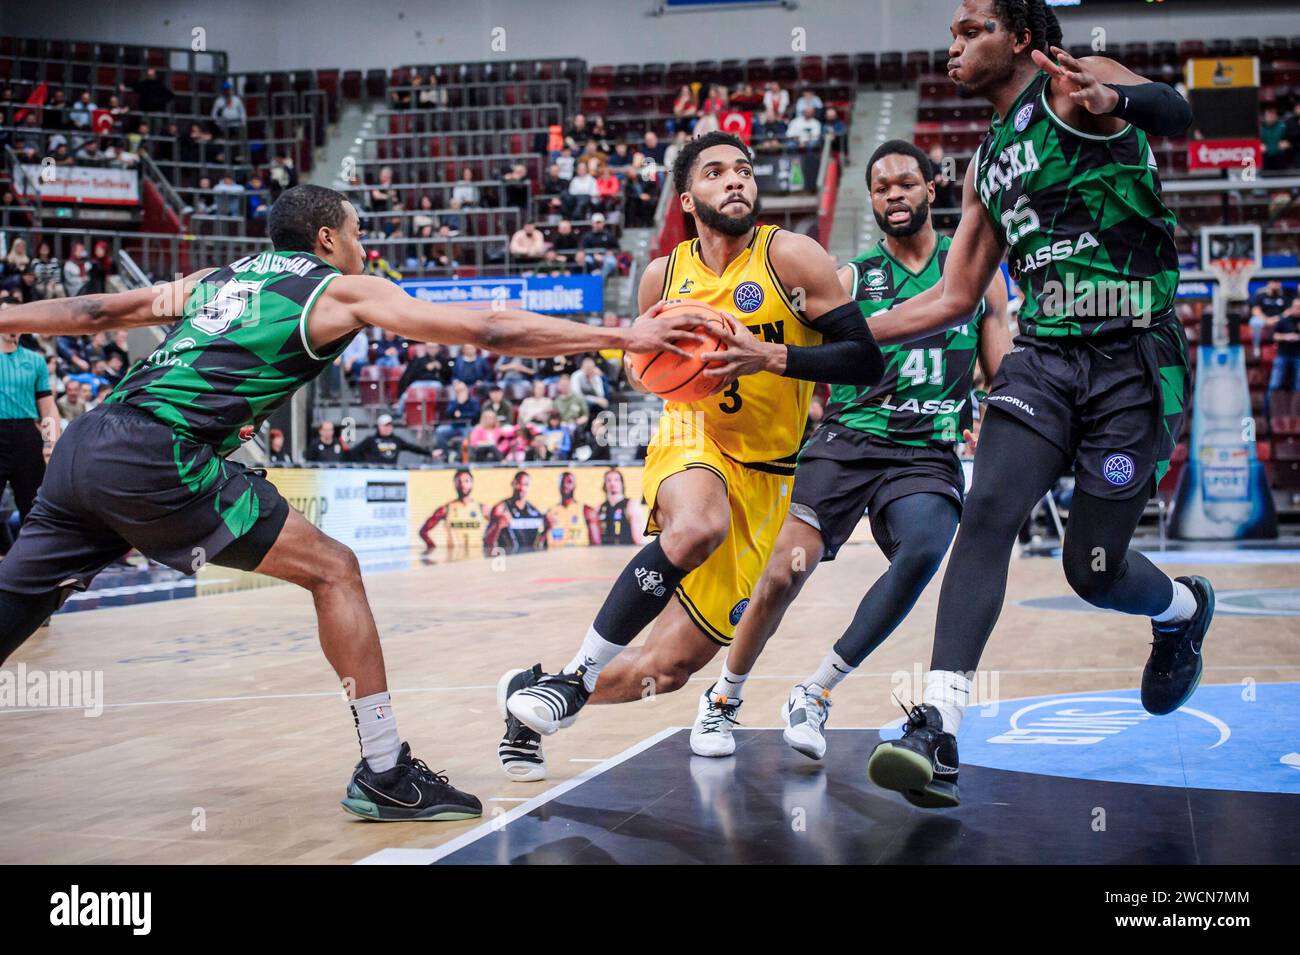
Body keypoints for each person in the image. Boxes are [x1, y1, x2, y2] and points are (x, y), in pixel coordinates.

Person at [0, 183, 706, 822]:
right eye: (359, 234)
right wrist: (622, 334)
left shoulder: (220, 281)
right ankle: (384, 770)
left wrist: (7, 315)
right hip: (158, 453)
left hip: (84, 445)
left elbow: (96, 311)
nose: (365, 249)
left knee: (16, 599)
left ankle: (385, 771)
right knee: (335, 568)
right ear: (327, 240)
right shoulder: (335, 290)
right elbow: (485, 330)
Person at [860, 0, 1207, 809]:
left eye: (969, 29)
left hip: (1134, 357)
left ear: (1019, 36)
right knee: (987, 511)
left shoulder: (1078, 83)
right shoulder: (986, 163)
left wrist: (1114, 101)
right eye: (950, 33)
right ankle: (937, 727)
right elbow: (952, 296)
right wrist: (835, 335)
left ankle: (1182, 609)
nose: (952, 45)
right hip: (1044, 360)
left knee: (1094, 569)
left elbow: (1179, 112)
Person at [498, 131, 884, 780]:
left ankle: (530, 692)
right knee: (698, 524)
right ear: (687, 198)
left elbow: (864, 360)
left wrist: (770, 356)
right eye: (715, 172)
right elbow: (641, 368)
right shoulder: (664, 276)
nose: (735, 180)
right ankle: (577, 673)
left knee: (667, 669)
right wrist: (677, 367)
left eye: (743, 170)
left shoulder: (791, 256)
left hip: (769, 476)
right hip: (693, 434)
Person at [689, 140, 1011, 760]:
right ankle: (722, 699)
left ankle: (814, 693)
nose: (895, 195)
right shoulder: (850, 278)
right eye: (883, 188)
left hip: (926, 450)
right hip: (849, 439)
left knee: (922, 550)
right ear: (872, 200)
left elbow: (1001, 374)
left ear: (929, 191)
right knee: (784, 573)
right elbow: (800, 353)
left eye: (906, 184)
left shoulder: (973, 274)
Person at [0, 331, 60, 536]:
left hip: (26, 435)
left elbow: (48, 408)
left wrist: (50, 442)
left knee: (33, 507)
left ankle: (35, 563)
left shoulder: (35, 360)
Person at [418, 468, 486, 558]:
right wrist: (432, 548)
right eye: (459, 481)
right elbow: (423, 531)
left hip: (477, 560)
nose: (463, 485)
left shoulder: (482, 508)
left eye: (466, 481)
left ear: (472, 483)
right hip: (454, 562)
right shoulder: (446, 509)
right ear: (455, 484)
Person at [347, 413, 430, 464]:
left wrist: (430, 453)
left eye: (390, 425)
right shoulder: (371, 440)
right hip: (374, 473)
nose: (388, 428)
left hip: (391, 473)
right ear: (379, 427)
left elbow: (413, 448)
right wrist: (364, 465)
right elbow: (354, 452)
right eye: (386, 425)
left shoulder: (396, 440)